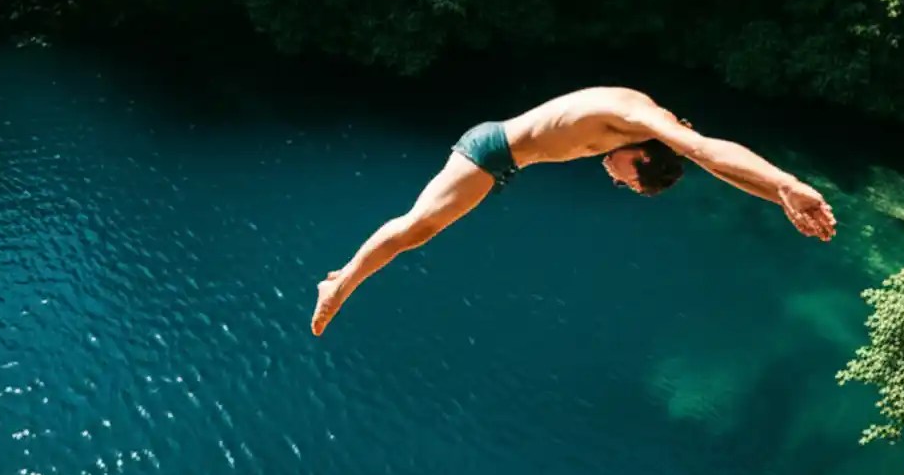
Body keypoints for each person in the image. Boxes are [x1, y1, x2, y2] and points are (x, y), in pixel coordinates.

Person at [310, 86, 836, 336]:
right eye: (629, 180)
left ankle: (345, 277)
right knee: (417, 228)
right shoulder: (638, 117)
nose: (616, 179)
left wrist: (779, 194)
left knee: (420, 228)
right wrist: (789, 181)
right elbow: (704, 151)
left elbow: (716, 160)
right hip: (489, 152)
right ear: (642, 158)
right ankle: (339, 284)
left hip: (502, 160)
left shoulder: (655, 131)